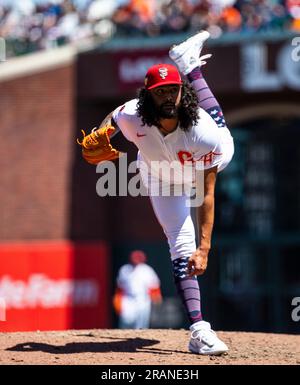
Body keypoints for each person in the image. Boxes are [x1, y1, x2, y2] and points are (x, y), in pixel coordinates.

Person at [82, 31, 234, 354]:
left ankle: (190, 67)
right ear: (147, 96)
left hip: (199, 166)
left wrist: (205, 248)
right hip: (159, 177)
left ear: (182, 93)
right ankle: (199, 330)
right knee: (180, 245)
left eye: (173, 90)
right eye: (160, 91)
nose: (167, 96)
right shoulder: (132, 116)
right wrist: (101, 131)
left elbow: (207, 194)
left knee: (223, 132)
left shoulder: (202, 133)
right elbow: (114, 116)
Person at [113, 250, 162, 329]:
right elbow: (120, 288)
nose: (136, 260)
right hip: (128, 298)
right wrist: (118, 300)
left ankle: (139, 339)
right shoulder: (124, 269)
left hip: (143, 298)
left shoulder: (147, 270)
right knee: (126, 321)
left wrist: (156, 299)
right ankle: (123, 338)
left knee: (141, 323)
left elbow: (154, 287)